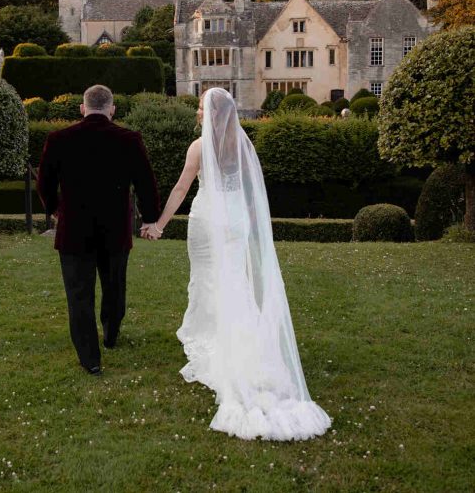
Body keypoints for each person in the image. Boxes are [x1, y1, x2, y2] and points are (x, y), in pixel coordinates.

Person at [142, 88, 331, 440]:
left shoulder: (199, 147)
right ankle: (241, 335)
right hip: (235, 220)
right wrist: (249, 230)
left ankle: (210, 335)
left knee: (206, 279)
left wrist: (159, 224)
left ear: (211, 113)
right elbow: (249, 192)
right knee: (235, 280)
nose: (197, 112)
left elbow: (182, 189)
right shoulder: (244, 145)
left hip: (209, 218)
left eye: (200, 108)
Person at [37, 84, 160, 376]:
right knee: (114, 287)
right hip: (114, 229)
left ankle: (90, 358)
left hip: (73, 230)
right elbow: (146, 183)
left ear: (83, 108)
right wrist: (150, 218)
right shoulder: (129, 139)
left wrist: (55, 209)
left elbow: (44, 184)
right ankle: (111, 333)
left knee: (79, 294)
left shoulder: (58, 139)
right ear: (112, 109)